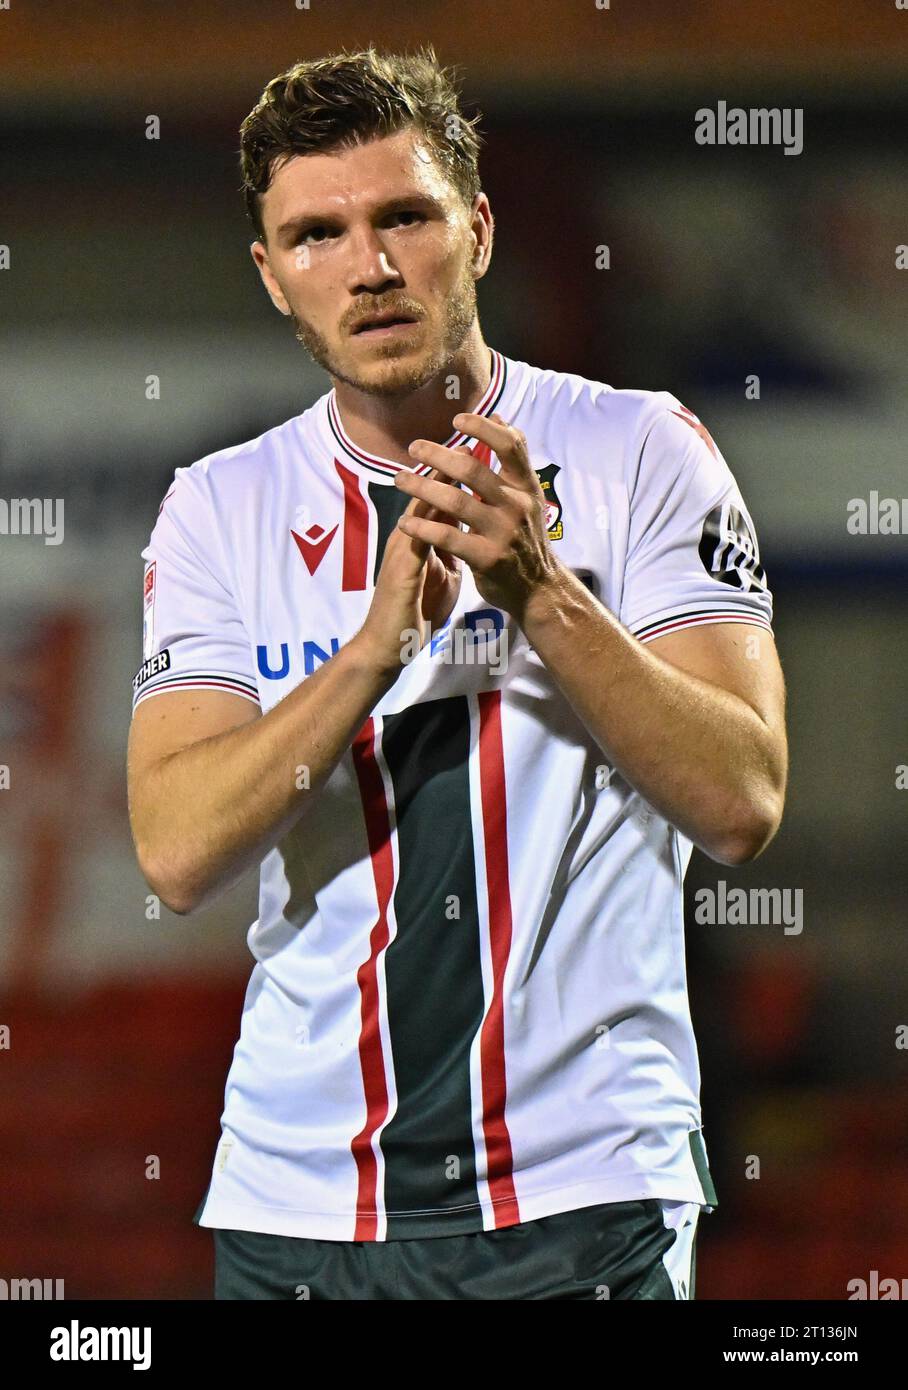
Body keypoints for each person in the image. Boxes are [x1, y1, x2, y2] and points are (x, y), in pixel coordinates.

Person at [126, 45, 788, 1300]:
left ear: (475, 231)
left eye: (403, 218)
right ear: (272, 278)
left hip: (581, 1192)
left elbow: (742, 799)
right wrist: (372, 653)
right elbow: (175, 849)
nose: (367, 266)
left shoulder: (639, 448)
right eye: (315, 234)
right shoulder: (218, 508)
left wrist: (541, 594)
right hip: (298, 1197)